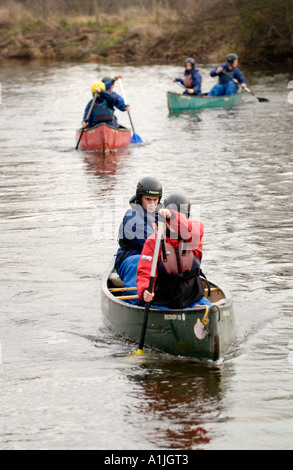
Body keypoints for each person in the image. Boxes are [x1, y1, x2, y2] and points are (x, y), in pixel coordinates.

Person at [137, 193, 211, 309]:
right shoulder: (153, 241)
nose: (174, 225)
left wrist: (172, 216)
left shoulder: (195, 232)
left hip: (193, 297)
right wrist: (145, 291)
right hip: (163, 300)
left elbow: (187, 228)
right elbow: (144, 272)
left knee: (209, 309)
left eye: (181, 217)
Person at [114, 177, 163, 303]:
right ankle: (133, 301)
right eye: (148, 199)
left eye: (155, 200)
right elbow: (152, 243)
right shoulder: (132, 218)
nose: (152, 203)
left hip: (155, 259)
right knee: (141, 261)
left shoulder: (162, 215)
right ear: (140, 198)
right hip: (132, 259)